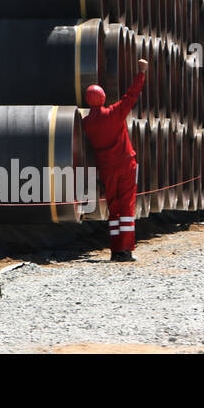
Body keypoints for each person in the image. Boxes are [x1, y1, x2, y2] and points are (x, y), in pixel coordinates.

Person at [83, 58, 148, 262]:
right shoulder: (114, 113)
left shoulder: (86, 124)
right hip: (126, 164)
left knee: (113, 207)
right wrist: (141, 73)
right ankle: (127, 250)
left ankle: (115, 250)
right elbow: (131, 96)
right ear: (103, 98)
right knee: (127, 206)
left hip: (106, 168)